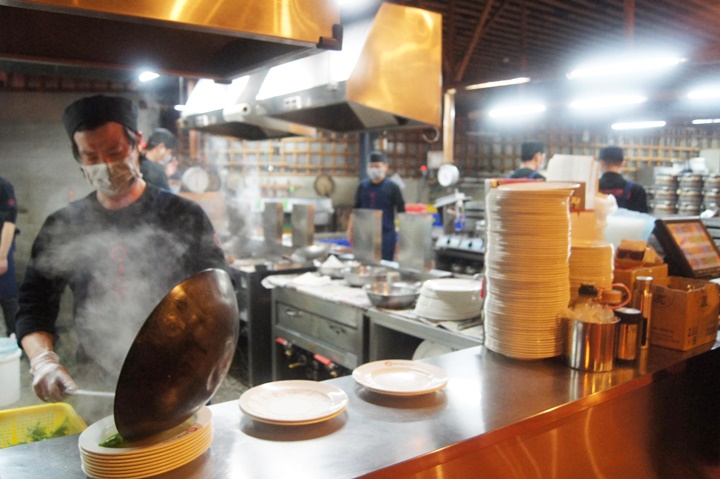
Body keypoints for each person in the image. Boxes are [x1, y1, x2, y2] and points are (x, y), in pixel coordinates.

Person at [15, 95, 229, 404]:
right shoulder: (63, 225)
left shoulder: (184, 215)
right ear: (77, 157)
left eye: (114, 151)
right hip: (97, 383)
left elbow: (219, 295)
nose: (105, 165)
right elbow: (34, 304)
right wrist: (42, 360)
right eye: (91, 155)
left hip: (179, 380)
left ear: (137, 144)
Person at [348, 151, 406, 261]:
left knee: (384, 265)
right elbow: (355, 209)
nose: (374, 169)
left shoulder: (393, 187)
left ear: (386, 167)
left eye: (377, 166)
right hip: (364, 235)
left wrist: (402, 240)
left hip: (386, 237)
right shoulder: (362, 186)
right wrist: (350, 230)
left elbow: (402, 213)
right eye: (371, 166)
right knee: (364, 264)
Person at [598, 145, 649, 213]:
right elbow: (643, 219)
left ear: (602, 163)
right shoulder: (636, 190)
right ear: (623, 163)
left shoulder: (592, 189)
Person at [0, 176, 18, 336]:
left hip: (1, 248)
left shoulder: (3, 186)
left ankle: (15, 338)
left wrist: (2, 256)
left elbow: (9, 222)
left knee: (7, 296)